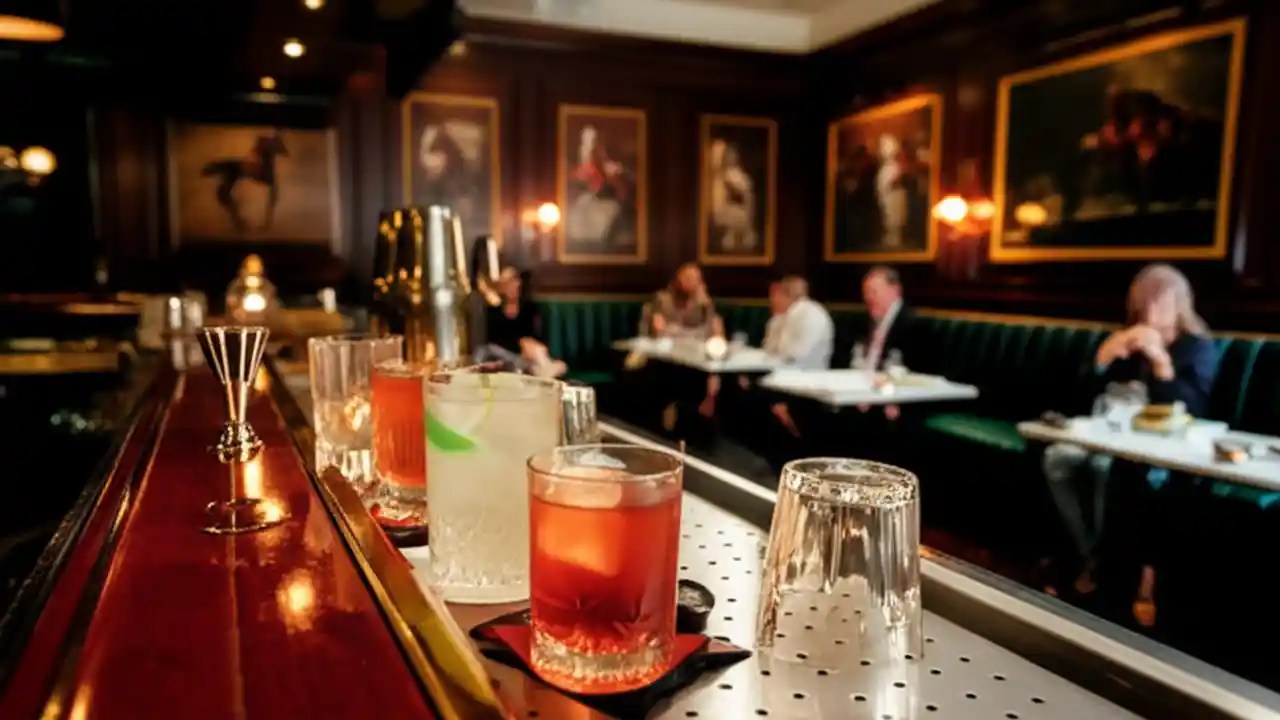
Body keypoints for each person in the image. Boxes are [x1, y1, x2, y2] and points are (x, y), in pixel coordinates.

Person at [1042, 263, 1215, 626]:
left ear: (1180, 305)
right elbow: (1085, 400)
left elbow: (1194, 407)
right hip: (1106, 437)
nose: (1151, 314)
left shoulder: (1196, 347)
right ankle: (1090, 553)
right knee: (1058, 457)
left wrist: (1161, 362)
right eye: (1144, 305)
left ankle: (1110, 568)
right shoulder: (1127, 342)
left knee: (1109, 468)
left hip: (1163, 449)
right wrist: (1102, 359)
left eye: (1161, 304)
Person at [481, 267, 566, 378]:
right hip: (505, 352)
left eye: (513, 283)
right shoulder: (494, 311)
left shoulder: (529, 308)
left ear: (518, 285)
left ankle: (545, 369)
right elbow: (493, 338)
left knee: (536, 352)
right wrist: (520, 344)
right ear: (501, 288)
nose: (511, 287)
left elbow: (536, 334)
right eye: (507, 284)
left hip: (529, 352)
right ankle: (547, 369)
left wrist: (530, 344)